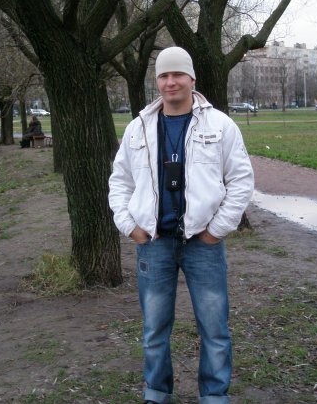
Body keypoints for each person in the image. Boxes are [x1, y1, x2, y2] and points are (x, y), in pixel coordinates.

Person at [108, 46, 254, 404]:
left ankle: (214, 395)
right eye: (163, 75)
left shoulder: (220, 126)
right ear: (157, 81)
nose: (170, 82)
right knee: (154, 328)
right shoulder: (138, 128)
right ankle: (156, 392)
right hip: (154, 243)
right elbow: (120, 182)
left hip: (202, 243)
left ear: (192, 78)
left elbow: (241, 181)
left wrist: (216, 230)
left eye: (177, 74)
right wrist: (130, 226)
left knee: (214, 328)